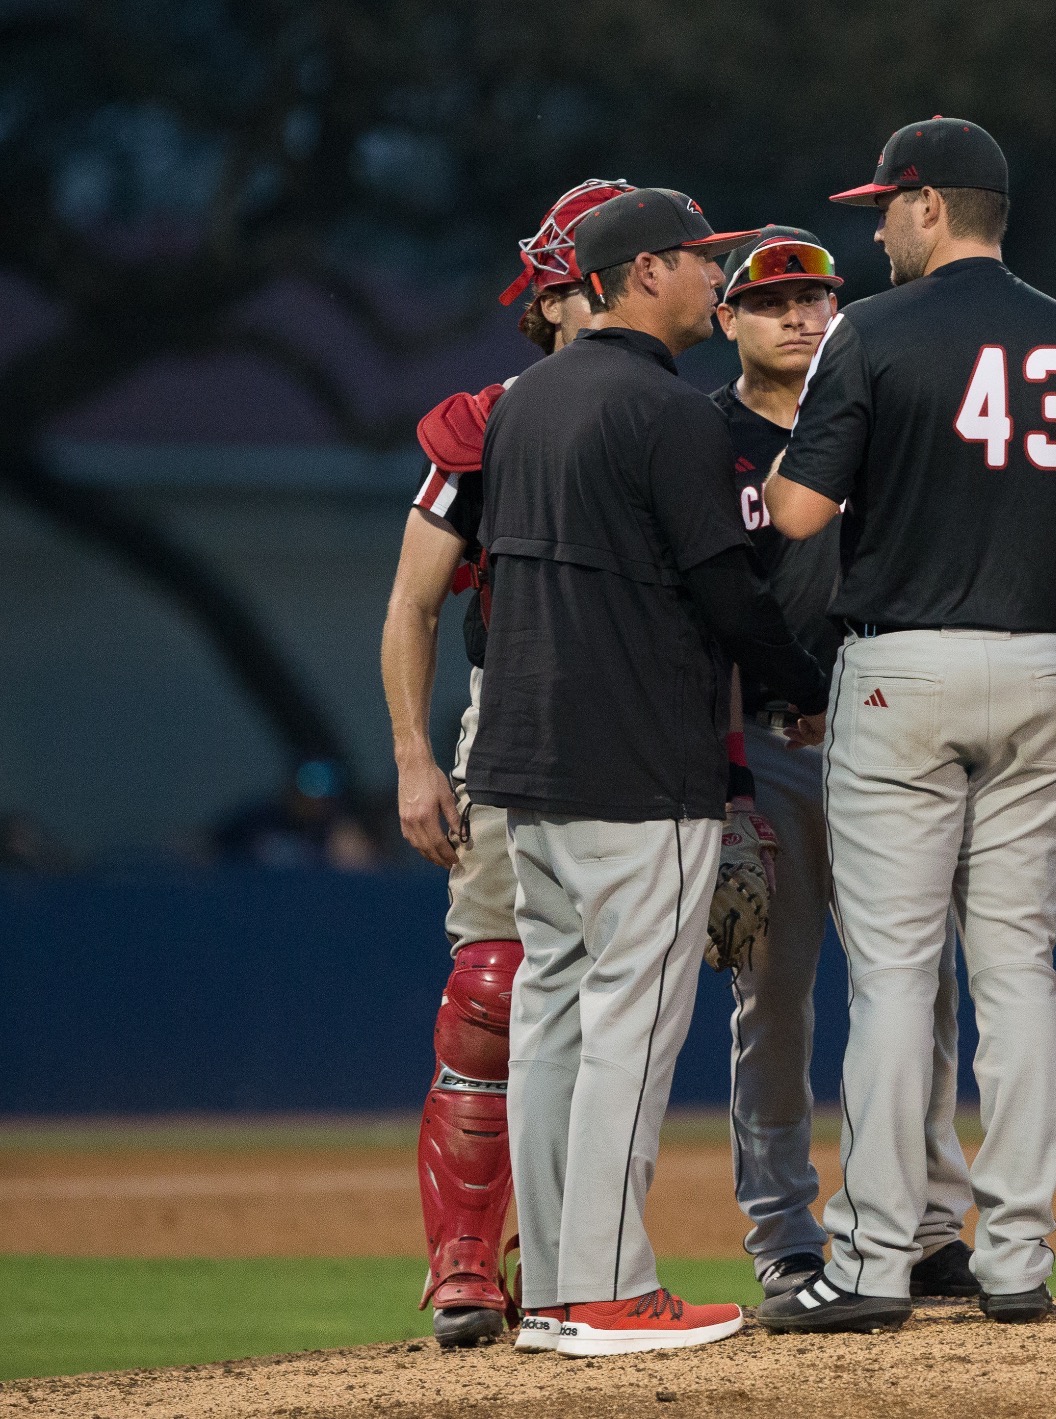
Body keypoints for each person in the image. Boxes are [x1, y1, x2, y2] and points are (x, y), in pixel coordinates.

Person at [756, 116, 1056, 1333]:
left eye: (885, 204)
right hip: (1039, 663)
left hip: (902, 669)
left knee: (890, 976)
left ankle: (873, 1261)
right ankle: (1017, 1259)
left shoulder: (868, 333)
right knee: (1018, 968)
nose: (873, 226)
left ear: (932, 206)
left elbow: (800, 512)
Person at [468, 186, 830, 1357]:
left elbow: (487, 613)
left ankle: (556, 1291)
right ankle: (606, 1289)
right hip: (638, 764)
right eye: (697, 260)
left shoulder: (522, 405)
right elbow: (729, 592)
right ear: (641, 275)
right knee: (630, 1019)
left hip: (525, 759)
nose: (710, 278)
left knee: (552, 1017)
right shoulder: (674, 416)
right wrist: (801, 687)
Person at [381, 176, 630, 1347]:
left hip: (653, 731)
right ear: (561, 294)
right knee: (493, 995)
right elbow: (414, 603)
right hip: (516, 720)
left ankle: (584, 1255)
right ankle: (468, 1266)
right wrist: (413, 757)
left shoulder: (689, 414)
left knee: (627, 1009)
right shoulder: (482, 423)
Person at [707, 226, 978, 1302]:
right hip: (767, 745)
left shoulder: (877, 417)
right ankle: (783, 1228)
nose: (802, 316)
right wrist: (720, 768)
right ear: (726, 319)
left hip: (884, 738)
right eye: (773, 301)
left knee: (918, 986)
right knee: (773, 996)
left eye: (817, 297)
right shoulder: (701, 434)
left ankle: (921, 1223)